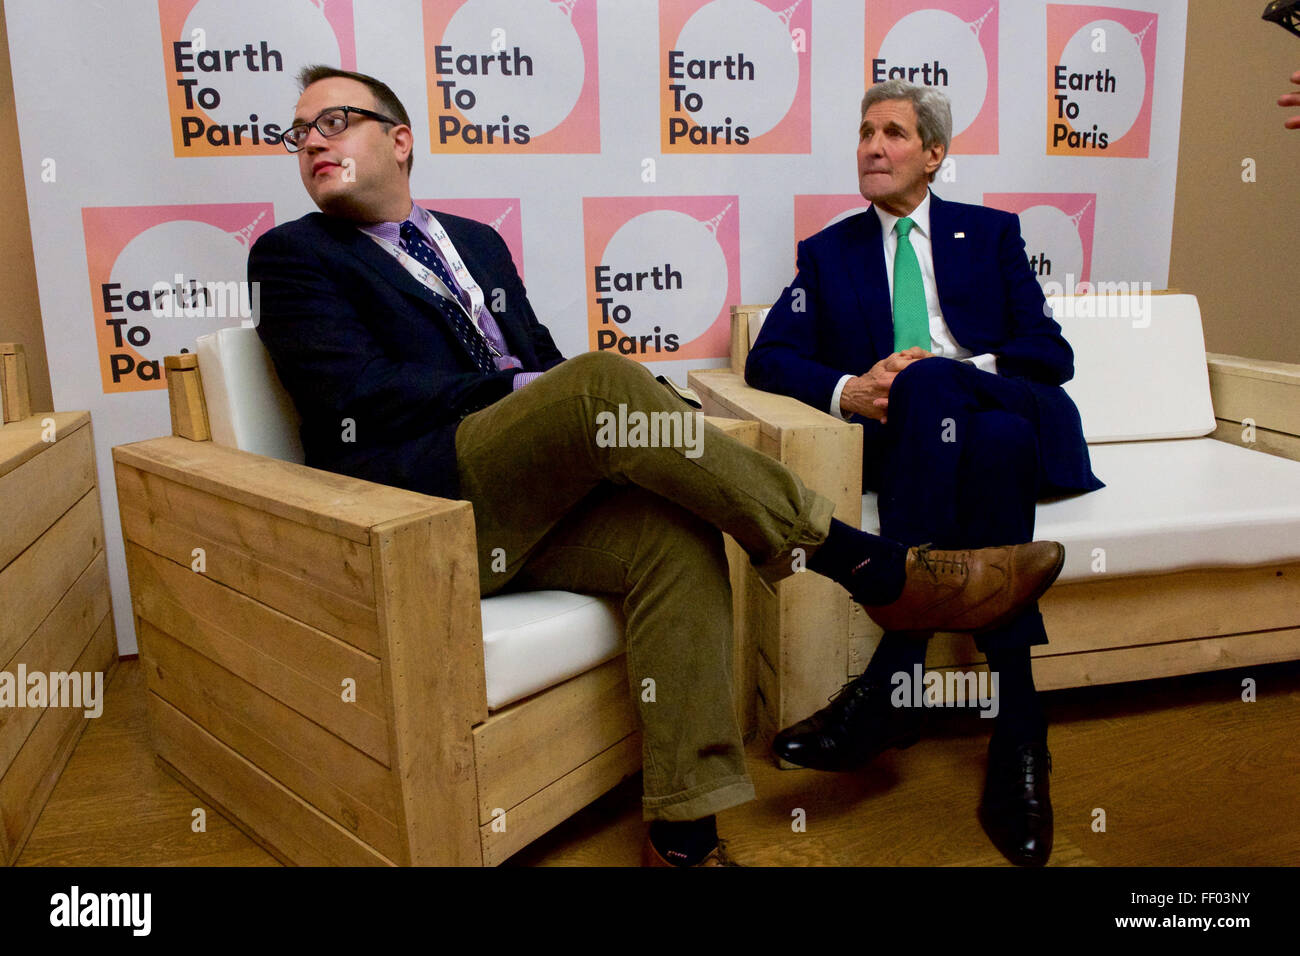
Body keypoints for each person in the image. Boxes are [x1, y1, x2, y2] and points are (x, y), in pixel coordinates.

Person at [249, 66, 1065, 867]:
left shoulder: (477, 243)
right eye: (298, 133)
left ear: (398, 140)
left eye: (335, 122)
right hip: (422, 507)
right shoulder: (293, 256)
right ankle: (870, 563)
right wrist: (536, 391)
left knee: (675, 536)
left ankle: (683, 836)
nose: (311, 143)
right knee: (603, 377)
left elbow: (538, 360)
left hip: (526, 504)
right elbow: (355, 395)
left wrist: (581, 407)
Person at [746, 79, 1103, 867]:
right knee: (1000, 442)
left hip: (992, 391)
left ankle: (893, 673)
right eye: (866, 131)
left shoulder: (991, 233)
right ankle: (1020, 733)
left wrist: (950, 369)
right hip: (957, 440)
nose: (873, 146)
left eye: (895, 134)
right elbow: (768, 357)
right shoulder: (829, 252)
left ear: (934, 155)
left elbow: (1051, 354)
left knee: (938, 382)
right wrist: (849, 389)